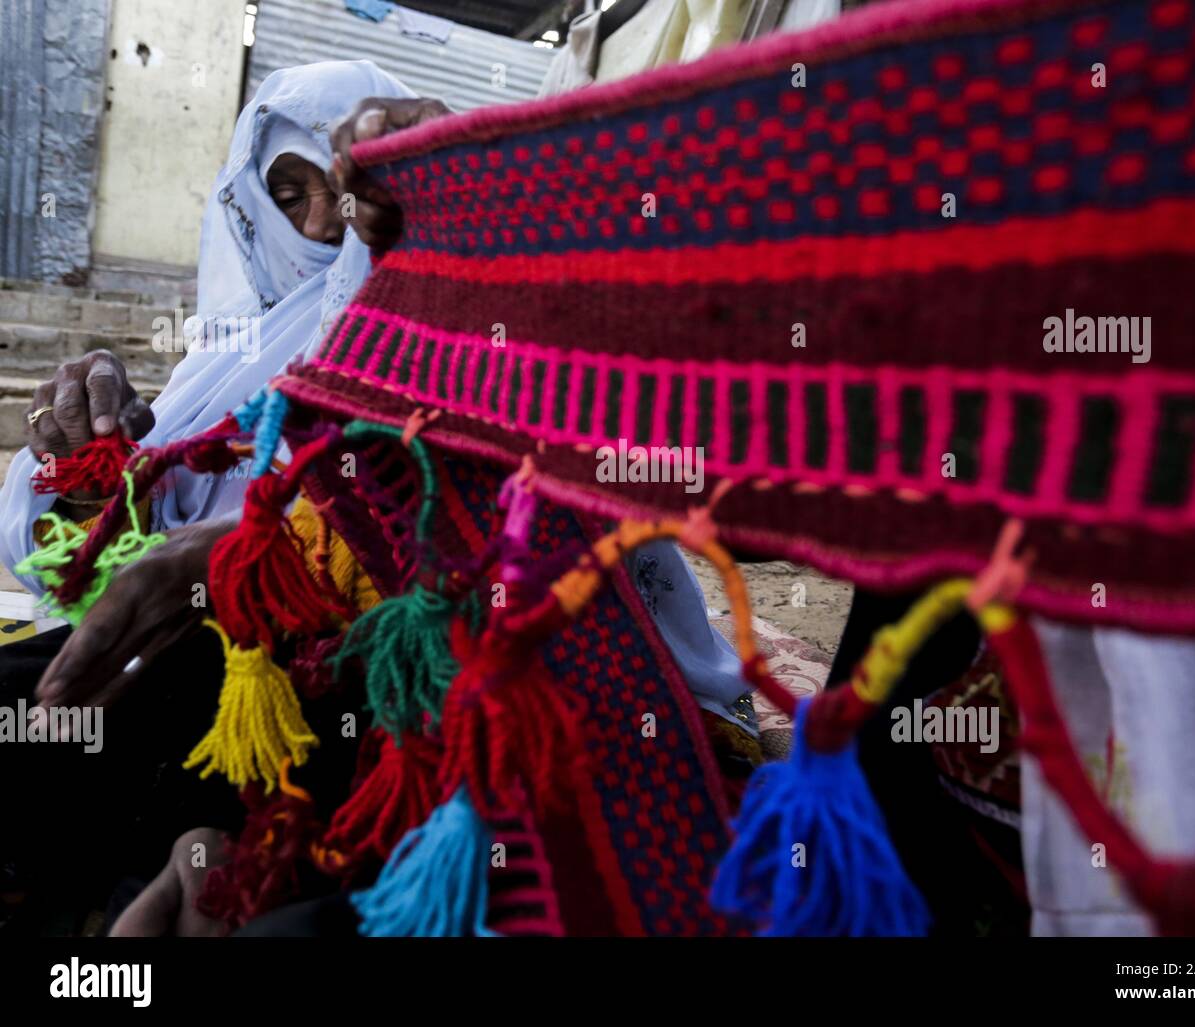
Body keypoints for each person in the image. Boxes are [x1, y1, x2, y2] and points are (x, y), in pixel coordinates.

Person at [0, 63, 755, 935]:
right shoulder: (225, 367)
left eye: (345, 189)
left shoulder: (488, 334)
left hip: (384, 700)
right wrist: (77, 469)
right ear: (245, 213)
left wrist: (463, 231)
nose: (327, 220)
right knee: (41, 709)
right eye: (289, 194)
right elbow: (90, 571)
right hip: (248, 689)